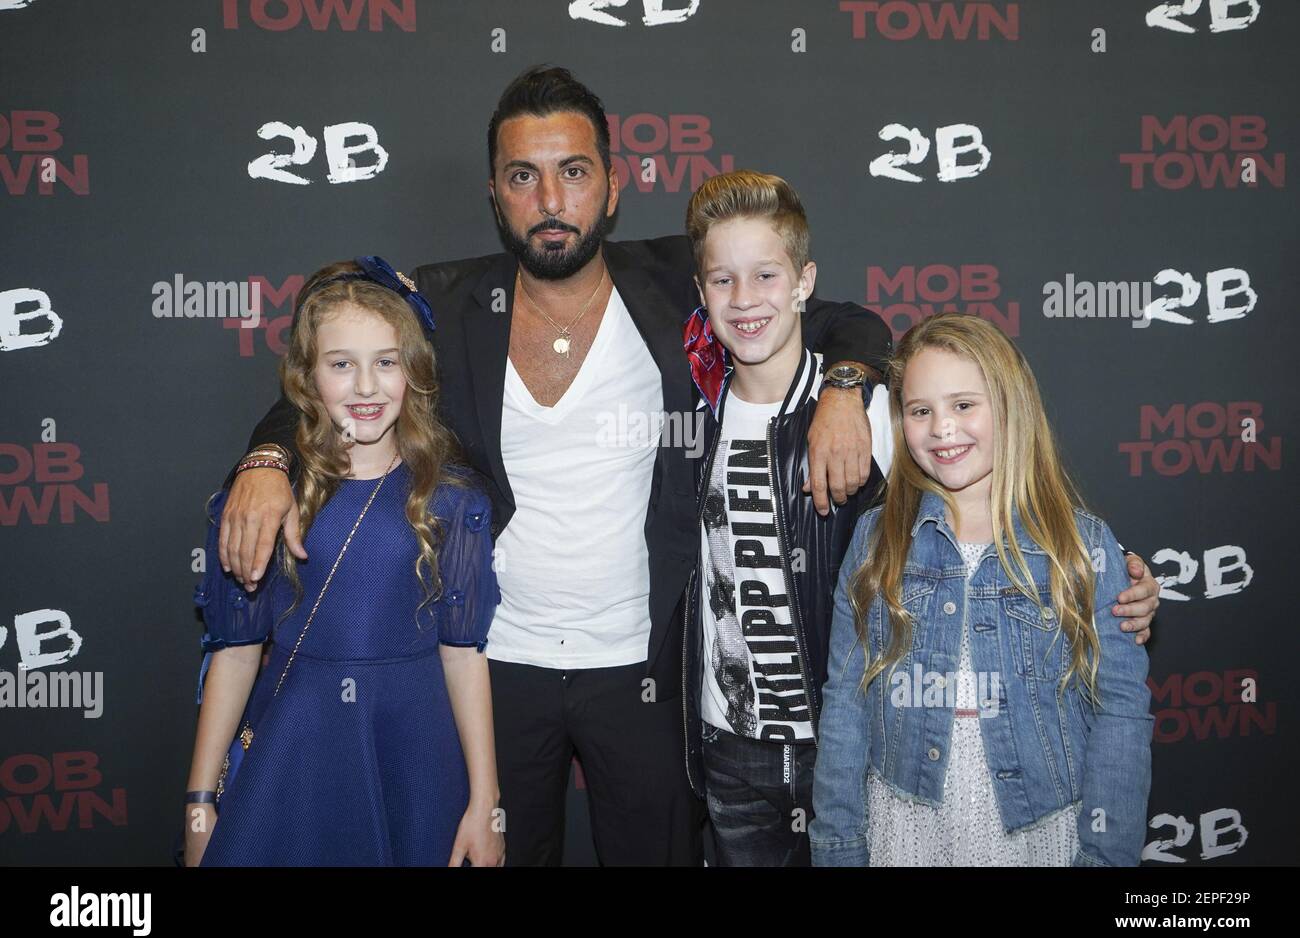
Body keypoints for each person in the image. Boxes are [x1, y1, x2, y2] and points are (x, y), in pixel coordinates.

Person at [215, 66, 894, 866]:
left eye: (573, 172)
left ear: (611, 187)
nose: (549, 200)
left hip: (647, 671)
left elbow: (847, 319)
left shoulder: (685, 279)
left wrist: (846, 389)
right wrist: (266, 458)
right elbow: (325, 363)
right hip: (498, 663)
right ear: (495, 195)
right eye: (523, 177)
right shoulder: (444, 303)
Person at [183, 257, 504, 867]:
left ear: (414, 372)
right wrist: (199, 800)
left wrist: (485, 802)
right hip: (297, 746)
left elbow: (464, 655)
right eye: (341, 365)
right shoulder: (260, 503)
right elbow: (234, 651)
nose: (365, 387)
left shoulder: (455, 500)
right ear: (306, 377)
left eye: (386, 362)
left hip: (416, 748)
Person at [810, 313, 1155, 867]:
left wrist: (1107, 855)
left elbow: (1120, 714)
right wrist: (838, 844)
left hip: (1039, 833)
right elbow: (847, 699)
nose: (942, 429)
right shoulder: (878, 539)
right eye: (921, 411)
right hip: (906, 832)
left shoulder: (1079, 545)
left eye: (964, 405)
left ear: (1010, 407)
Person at [680, 170, 893, 866]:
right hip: (729, 753)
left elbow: (992, 504)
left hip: (847, 748)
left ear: (804, 283)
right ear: (701, 291)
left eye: (766, 276)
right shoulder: (690, 414)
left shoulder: (867, 414)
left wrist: (1109, 578)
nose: (744, 301)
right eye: (722, 281)